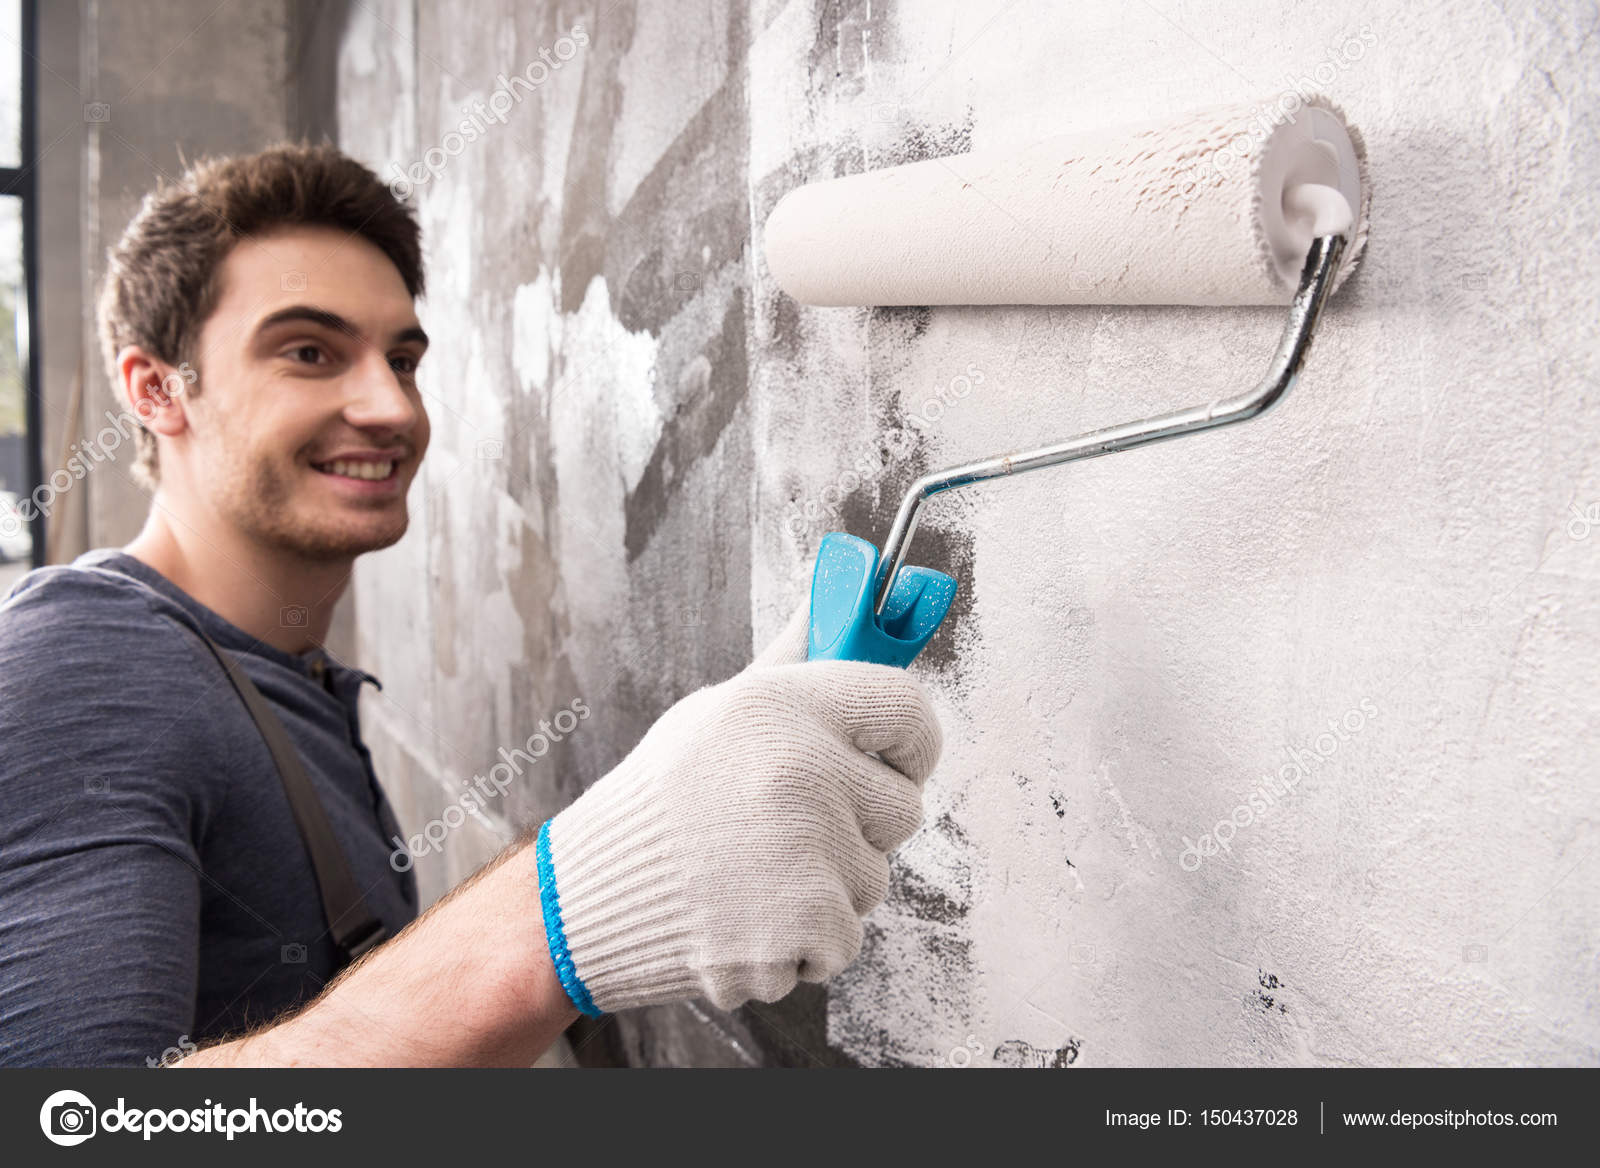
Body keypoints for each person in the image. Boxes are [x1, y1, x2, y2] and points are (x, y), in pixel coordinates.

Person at [0, 144, 942, 1067]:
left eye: (402, 359)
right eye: (310, 351)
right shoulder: (79, 660)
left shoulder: (282, 672)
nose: (390, 408)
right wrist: (572, 909)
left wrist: (665, 830)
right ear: (157, 389)